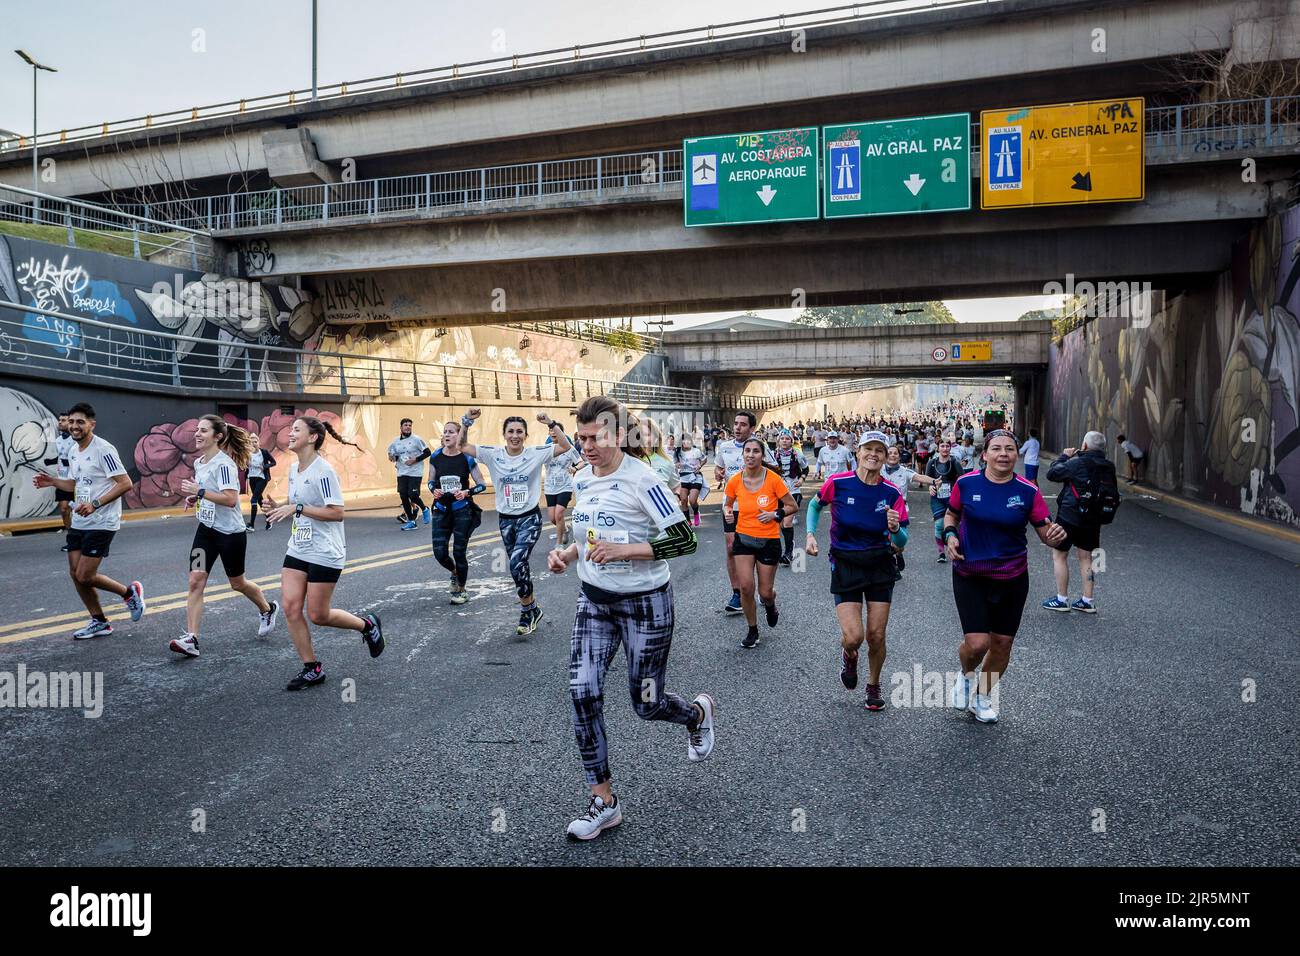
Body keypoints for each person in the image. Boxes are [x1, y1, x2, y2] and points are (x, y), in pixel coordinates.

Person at [547, 395, 714, 841]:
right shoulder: (582, 478)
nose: (586, 447)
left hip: (645, 604)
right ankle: (605, 802)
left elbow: (684, 541)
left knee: (646, 704)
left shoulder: (644, 480)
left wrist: (628, 551)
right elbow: (589, 532)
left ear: (620, 436)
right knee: (581, 691)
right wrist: (566, 553)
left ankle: (695, 715)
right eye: (581, 438)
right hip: (595, 601)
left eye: (596, 439)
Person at [941, 430, 1065, 722]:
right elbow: (951, 514)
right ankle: (966, 675)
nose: (1003, 454)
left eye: (1010, 449)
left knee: (1001, 644)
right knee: (977, 643)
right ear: (984, 455)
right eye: (996, 448)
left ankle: (983, 698)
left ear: (1017, 455)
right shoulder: (966, 483)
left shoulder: (1028, 490)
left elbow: (1045, 532)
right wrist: (949, 536)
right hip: (971, 573)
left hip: (1012, 577)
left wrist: (1055, 536)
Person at [263, 416, 384, 690]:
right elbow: (298, 503)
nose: (290, 434)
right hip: (299, 547)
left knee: (318, 615)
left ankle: (367, 625)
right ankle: (312, 668)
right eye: (290, 429)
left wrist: (297, 508)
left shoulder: (324, 471)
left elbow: (336, 512)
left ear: (312, 437)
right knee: (291, 608)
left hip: (325, 552)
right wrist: (280, 506)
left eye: (296, 430)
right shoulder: (295, 469)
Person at [805, 431, 908, 711]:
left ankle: (873, 685)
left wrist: (896, 529)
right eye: (868, 449)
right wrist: (811, 534)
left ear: (886, 457)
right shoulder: (838, 483)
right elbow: (814, 506)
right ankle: (849, 655)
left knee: (876, 635)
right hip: (845, 561)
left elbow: (902, 543)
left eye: (880, 450)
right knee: (854, 637)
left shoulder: (891, 493)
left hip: (879, 563)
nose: (873, 454)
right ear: (858, 452)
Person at [32, 402, 146, 638]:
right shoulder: (74, 450)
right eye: (72, 421)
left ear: (91, 424)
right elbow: (75, 484)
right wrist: (53, 481)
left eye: (80, 422)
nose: (74, 426)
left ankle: (129, 593)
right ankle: (99, 621)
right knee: (75, 573)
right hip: (80, 520)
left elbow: (124, 483)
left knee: (85, 575)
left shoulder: (103, 449)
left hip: (102, 520)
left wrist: (95, 504)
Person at [170, 415, 279, 657]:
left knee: (237, 583)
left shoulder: (224, 464)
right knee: (195, 580)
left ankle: (267, 608)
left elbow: (230, 499)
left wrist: (199, 490)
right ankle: (192, 639)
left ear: (217, 436)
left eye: (204, 431)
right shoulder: (199, 463)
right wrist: (195, 497)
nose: (197, 434)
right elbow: (210, 493)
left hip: (230, 534)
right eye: (197, 430)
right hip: (206, 532)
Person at [458, 407, 573, 636]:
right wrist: (466, 422)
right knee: (519, 568)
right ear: (504, 434)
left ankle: (525, 612)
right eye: (511, 431)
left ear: (525, 435)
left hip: (529, 518)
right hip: (506, 520)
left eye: (520, 431)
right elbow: (462, 446)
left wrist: (550, 423)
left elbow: (565, 446)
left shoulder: (534, 453)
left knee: (516, 562)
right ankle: (532, 608)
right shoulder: (493, 454)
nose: (515, 435)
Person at [724, 438, 797, 648]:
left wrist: (776, 514)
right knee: (746, 587)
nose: (750, 455)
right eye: (747, 451)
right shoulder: (735, 480)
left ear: (762, 456)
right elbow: (728, 505)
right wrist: (728, 513)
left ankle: (770, 604)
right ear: (743, 454)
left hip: (768, 540)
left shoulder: (773, 479)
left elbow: (792, 506)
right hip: (743, 539)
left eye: (755, 451)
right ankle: (752, 629)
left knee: (765, 592)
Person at [1042, 432, 1116, 614]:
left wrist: (1065, 455)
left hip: (1069, 515)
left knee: (1060, 555)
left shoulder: (1076, 463)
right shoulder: (1109, 466)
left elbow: (1052, 473)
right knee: (1086, 557)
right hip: (1093, 519)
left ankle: (1062, 599)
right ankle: (1088, 600)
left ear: (1084, 445)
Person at [713, 412, 777, 615]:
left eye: (743, 425)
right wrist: (718, 472)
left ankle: (759, 589)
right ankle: (737, 592)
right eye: (736, 423)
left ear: (751, 429)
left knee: (756, 549)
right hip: (731, 505)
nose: (737, 428)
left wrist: (758, 465)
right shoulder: (724, 446)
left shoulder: (760, 446)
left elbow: (775, 468)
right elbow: (718, 467)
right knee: (732, 547)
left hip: (756, 507)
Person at [427, 421, 487, 605]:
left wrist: (466, 492)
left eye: (451, 432)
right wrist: (433, 490)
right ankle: (454, 572)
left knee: (459, 552)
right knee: (439, 553)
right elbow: (430, 482)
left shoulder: (467, 457)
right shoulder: (436, 456)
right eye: (445, 432)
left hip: (462, 511)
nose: (447, 435)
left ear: (459, 435)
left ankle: (461, 589)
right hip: (441, 509)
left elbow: (482, 484)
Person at [926, 437, 964, 563]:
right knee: (939, 525)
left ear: (950, 447)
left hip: (952, 498)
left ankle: (955, 547)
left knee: (954, 524)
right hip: (937, 498)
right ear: (938, 448)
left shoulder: (954, 462)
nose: (945, 448)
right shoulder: (931, 463)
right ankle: (941, 552)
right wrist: (930, 486)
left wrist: (957, 491)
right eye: (942, 446)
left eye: (947, 446)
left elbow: (963, 479)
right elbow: (927, 479)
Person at [388, 418, 432, 531]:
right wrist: (392, 457)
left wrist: (415, 460)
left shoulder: (417, 439)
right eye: (406, 425)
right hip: (402, 472)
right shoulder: (395, 441)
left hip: (415, 472)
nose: (408, 427)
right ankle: (411, 521)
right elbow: (393, 456)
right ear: (401, 427)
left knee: (412, 495)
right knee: (403, 496)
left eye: (410, 425)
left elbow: (428, 452)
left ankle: (425, 508)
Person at [772, 430, 808, 565]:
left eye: (788, 439)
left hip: (793, 491)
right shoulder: (773, 455)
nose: (785, 441)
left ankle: (788, 553)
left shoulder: (797, 453)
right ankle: (789, 546)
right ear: (779, 441)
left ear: (791, 441)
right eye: (783, 439)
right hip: (778, 492)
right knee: (780, 524)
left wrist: (802, 479)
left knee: (787, 523)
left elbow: (805, 469)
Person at [543, 432, 583, 547]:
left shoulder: (569, 448)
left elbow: (580, 462)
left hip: (566, 485)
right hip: (550, 487)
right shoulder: (546, 449)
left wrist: (574, 468)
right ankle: (565, 529)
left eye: (556, 432)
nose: (553, 434)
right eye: (551, 433)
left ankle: (559, 544)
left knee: (559, 514)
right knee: (552, 518)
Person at [43, 412, 76, 549]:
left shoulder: (76, 439)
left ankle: (83, 536)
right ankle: (72, 538)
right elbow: (60, 457)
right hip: (62, 479)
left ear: (70, 422)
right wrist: (51, 461)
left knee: (79, 509)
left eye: (63, 420)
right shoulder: (58, 440)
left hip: (76, 480)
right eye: (59, 420)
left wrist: (68, 462)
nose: (60, 423)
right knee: (64, 509)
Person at [675, 434, 706, 527]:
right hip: (683, 477)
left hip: (695, 477)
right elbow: (674, 462)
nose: (686, 442)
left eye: (688, 440)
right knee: (683, 500)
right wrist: (677, 464)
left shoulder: (696, 451)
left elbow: (704, 459)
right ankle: (688, 520)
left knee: (692, 501)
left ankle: (696, 513)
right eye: (684, 440)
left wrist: (699, 466)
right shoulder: (678, 452)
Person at [245, 442, 276, 531]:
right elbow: (245, 466)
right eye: (251, 441)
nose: (253, 443)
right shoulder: (247, 453)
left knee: (253, 500)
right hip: (252, 478)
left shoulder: (264, 452)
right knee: (259, 500)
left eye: (255, 441)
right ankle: (269, 519)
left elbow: (274, 462)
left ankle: (251, 525)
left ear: (258, 443)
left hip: (262, 478)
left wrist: (265, 466)